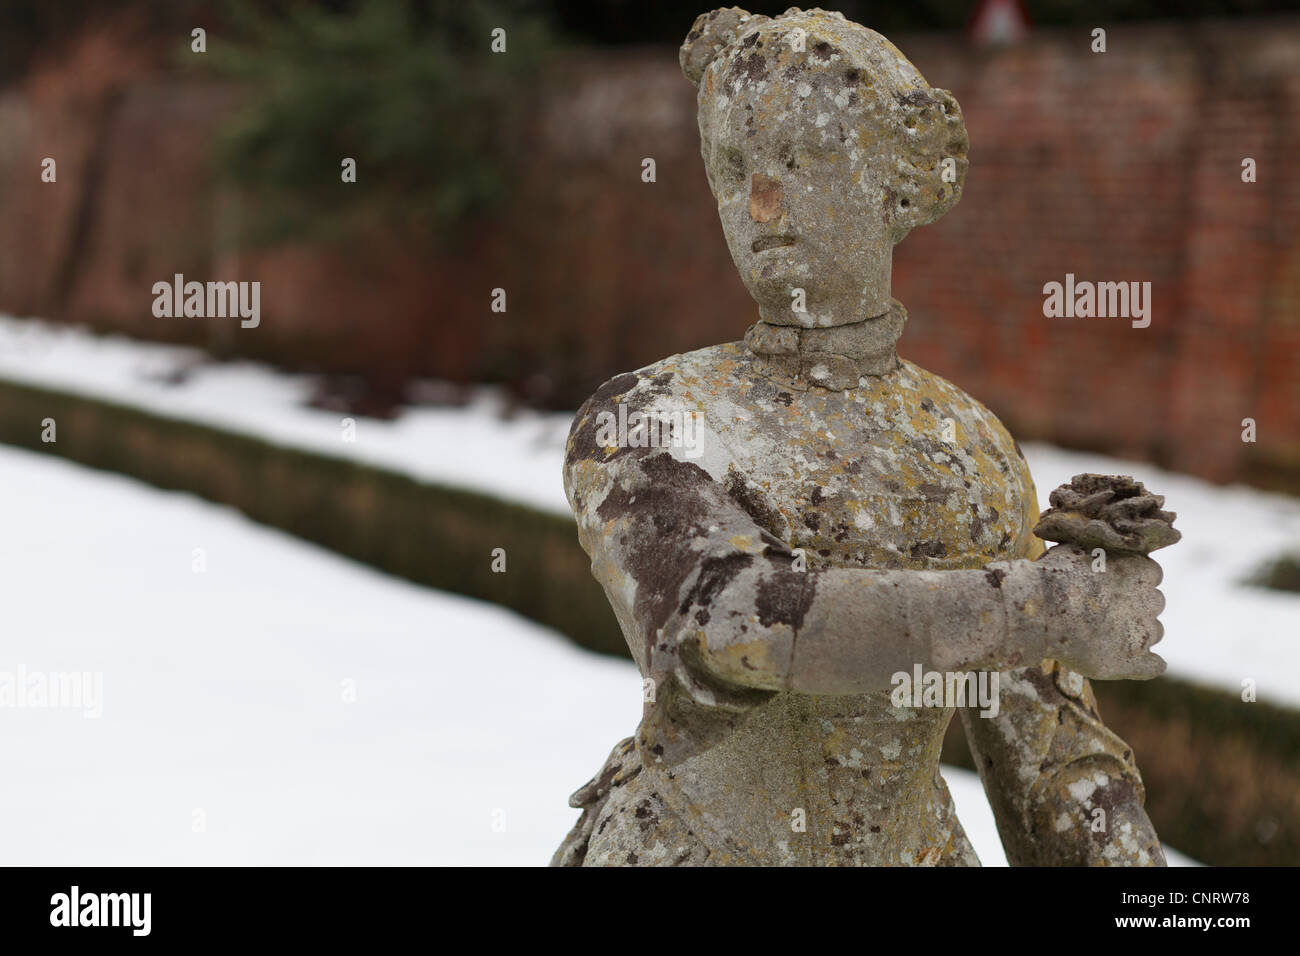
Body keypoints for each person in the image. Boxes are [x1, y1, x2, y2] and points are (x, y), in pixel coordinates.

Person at [552, 6, 1167, 867]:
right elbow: (732, 627)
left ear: (901, 180)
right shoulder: (650, 416)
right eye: (734, 169)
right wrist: (1042, 604)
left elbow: (1052, 765)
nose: (762, 204)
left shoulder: (974, 447)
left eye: (804, 159)